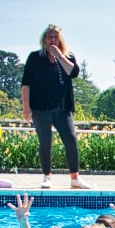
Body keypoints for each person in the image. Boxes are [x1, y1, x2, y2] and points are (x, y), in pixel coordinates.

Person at [21, 24, 91, 190]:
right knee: (45, 141)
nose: (52, 40)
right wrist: (26, 108)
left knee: (71, 140)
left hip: (62, 107)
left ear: (60, 40)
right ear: (44, 40)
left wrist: (60, 56)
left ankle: (75, 178)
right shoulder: (35, 57)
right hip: (40, 107)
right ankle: (47, 177)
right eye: (49, 37)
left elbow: (73, 73)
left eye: (55, 37)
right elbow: (25, 84)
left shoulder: (68, 56)